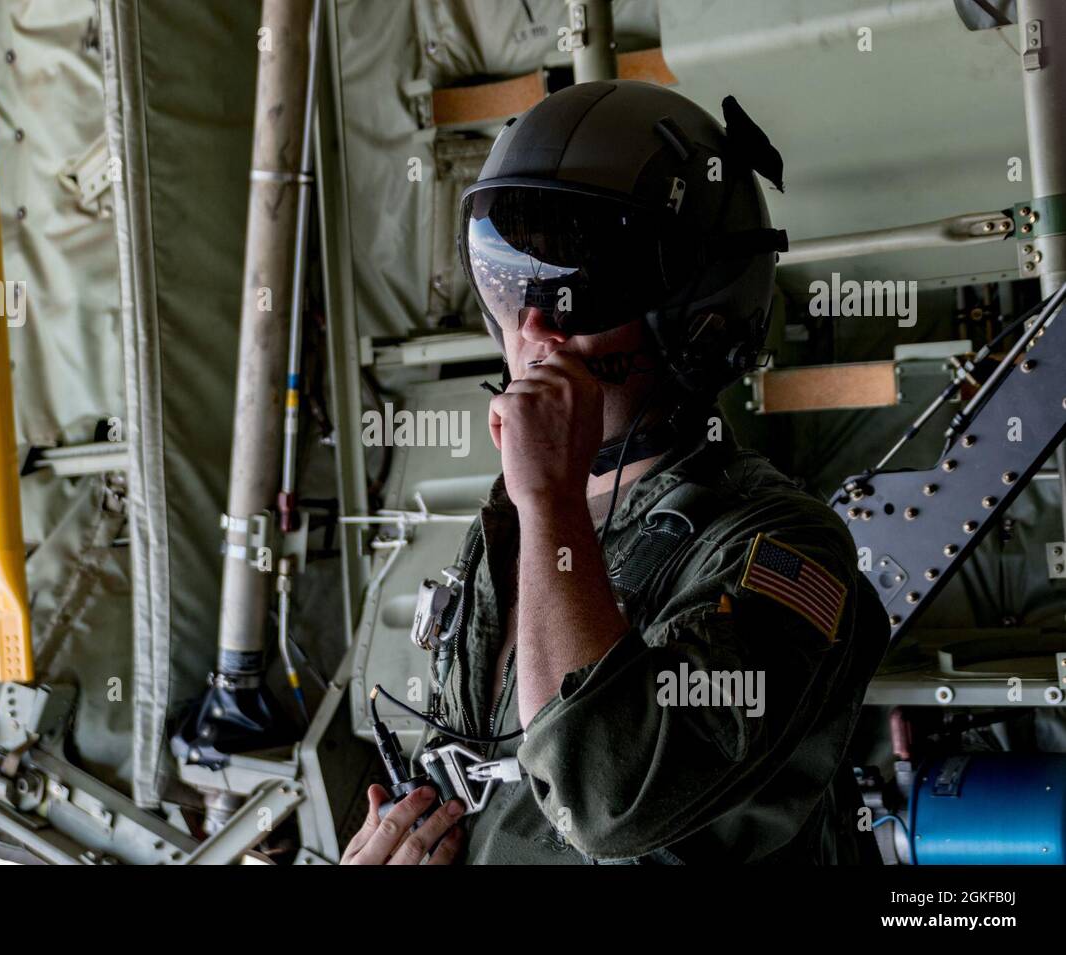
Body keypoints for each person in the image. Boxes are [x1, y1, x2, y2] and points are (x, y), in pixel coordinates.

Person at [342, 80, 889, 865]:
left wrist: (550, 498)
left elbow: (604, 799)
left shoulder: (785, 553)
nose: (533, 325)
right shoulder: (513, 525)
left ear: (695, 316)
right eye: (508, 278)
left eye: (579, 289)